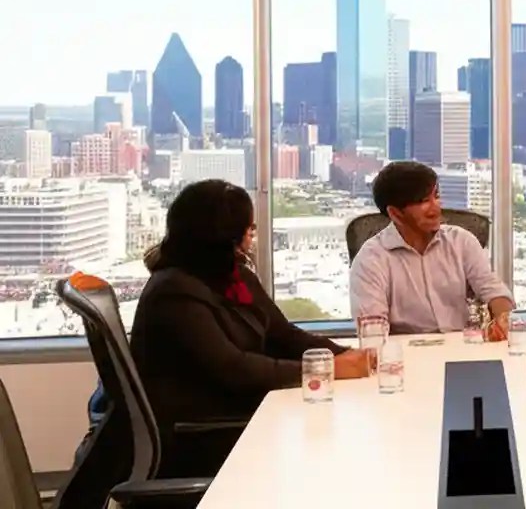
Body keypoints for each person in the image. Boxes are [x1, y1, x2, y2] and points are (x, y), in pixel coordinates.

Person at [130, 179, 371, 477]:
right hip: (202, 430)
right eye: (249, 229)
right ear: (227, 237)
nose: (251, 237)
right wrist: (326, 370)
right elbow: (233, 368)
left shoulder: (233, 275)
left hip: (240, 409)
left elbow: (282, 334)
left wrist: (346, 355)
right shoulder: (174, 291)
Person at [350, 161, 514, 337]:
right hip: (408, 355)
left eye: (436, 196)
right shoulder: (371, 259)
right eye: (424, 201)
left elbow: (493, 290)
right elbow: (372, 329)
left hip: (462, 348)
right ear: (396, 214)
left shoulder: (461, 241)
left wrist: (501, 319)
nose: (436, 208)